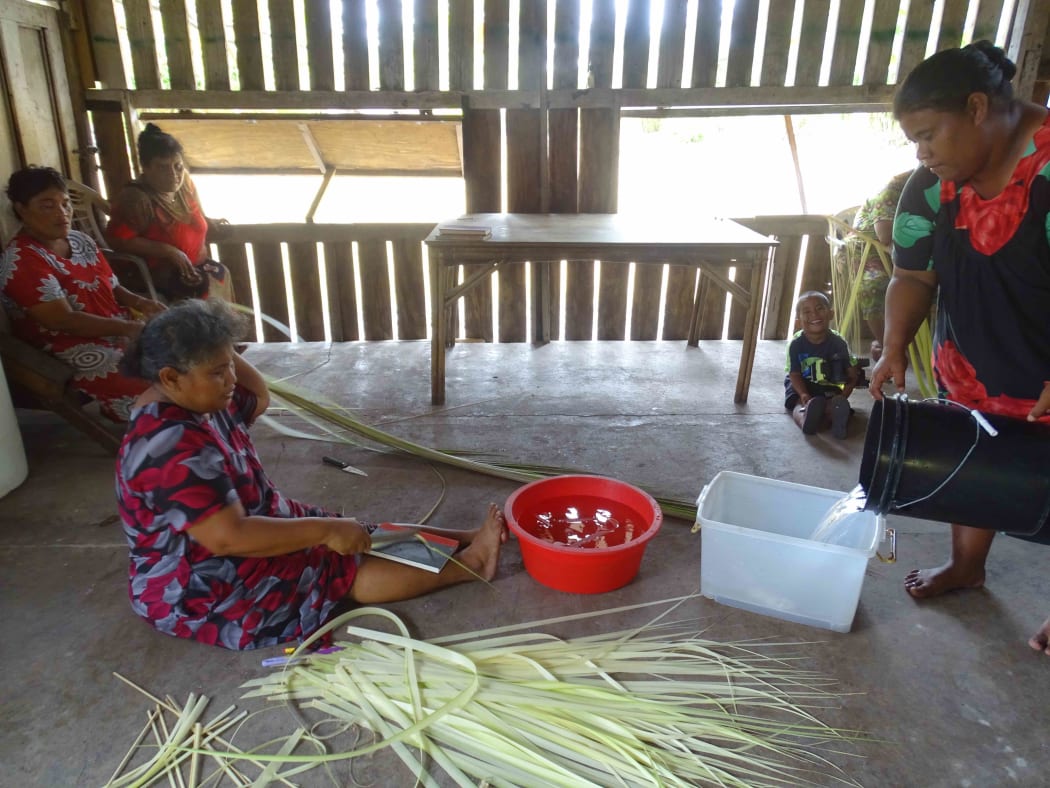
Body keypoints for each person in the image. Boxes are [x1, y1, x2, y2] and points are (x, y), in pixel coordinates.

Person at [115, 298, 508, 650]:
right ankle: (473, 564)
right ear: (169, 377)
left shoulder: (199, 398)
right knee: (337, 566)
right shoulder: (168, 445)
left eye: (232, 363)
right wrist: (322, 531)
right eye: (219, 371)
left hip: (247, 528)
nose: (232, 378)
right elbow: (226, 538)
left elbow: (260, 396)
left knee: (358, 532)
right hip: (204, 584)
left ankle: (466, 540)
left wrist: (218, 344)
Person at [868, 41, 1050, 654]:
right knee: (977, 463)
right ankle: (967, 567)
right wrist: (895, 344)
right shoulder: (931, 188)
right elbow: (914, 276)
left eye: (928, 135)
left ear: (977, 108)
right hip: (974, 368)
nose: (921, 153)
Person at [1, 166, 166, 421]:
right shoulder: (22, 260)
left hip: (114, 330)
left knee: (180, 359)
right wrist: (126, 329)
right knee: (156, 382)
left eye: (65, 204)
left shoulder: (80, 241)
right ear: (22, 209)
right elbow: (63, 321)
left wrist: (142, 303)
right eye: (47, 206)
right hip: (66, 348)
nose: (62, 213)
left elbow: (111, 285)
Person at [106, 123, 234, 302]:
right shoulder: (136, 199)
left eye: (178, 166)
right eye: (162, 167)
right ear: (146, 167)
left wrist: (208, 222)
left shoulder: (185, 185)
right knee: (199, 289)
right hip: (156, 273)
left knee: (221, 273)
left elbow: (195, 214)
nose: (174, 174)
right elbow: (117, 240)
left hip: (196, 264)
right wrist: (168, 251)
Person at [849, 170, 912, 361]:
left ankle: (904, 342)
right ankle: (887, 348)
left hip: (900, 251)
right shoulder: (891, 191)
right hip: (866, 252)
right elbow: (885, 237)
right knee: (875, 285)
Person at [784, 291, 861, 439]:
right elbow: (794, 374)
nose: (814, 314)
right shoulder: (796, 344)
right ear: (798, 322)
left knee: (837, 407)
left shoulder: (838, 343)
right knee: (799, 406)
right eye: (806, 311)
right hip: (803, 386)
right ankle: (805, 419)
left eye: (820, 308)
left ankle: (835, 420)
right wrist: (804, 394)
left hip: (830, 387)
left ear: (831, 314)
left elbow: (852, 375)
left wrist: (843, 396)